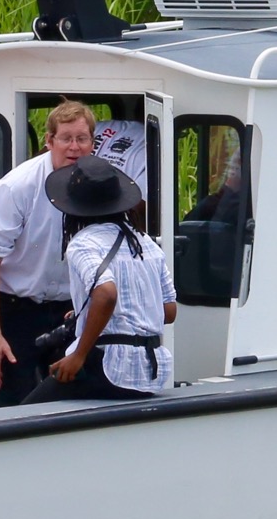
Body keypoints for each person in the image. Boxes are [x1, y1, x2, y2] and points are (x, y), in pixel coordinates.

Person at [0, 99, 94, 407]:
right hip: (18, 309)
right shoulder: (16, 188)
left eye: (82, 138)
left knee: (76, 405)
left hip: (73, 309)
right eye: (66, 138)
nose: (74, 147)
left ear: (92, 143)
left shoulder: (102, 186)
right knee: (13, 404)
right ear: (49, 141)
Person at [32, 155, 176, 404]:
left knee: (30, 414)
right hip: (150, 371)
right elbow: (169, 311)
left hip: (110, 365)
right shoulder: (146, 243)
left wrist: (78, 355)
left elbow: (106, 294)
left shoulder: (84, 244)